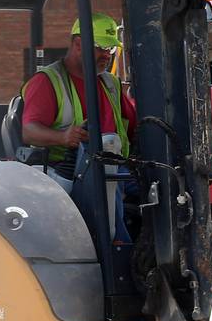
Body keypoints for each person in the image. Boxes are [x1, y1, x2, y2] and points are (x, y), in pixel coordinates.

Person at [20, 12, 135, 195]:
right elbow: (29, 132)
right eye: (101, 47)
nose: (107, 55)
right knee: (108, 189)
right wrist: (63, 137)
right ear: (79, 44)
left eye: (111, 49)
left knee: (160, 184)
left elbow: (135, 126)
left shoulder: (110, 83)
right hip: (70, 172)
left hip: (113, 165)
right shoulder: (47, 81)